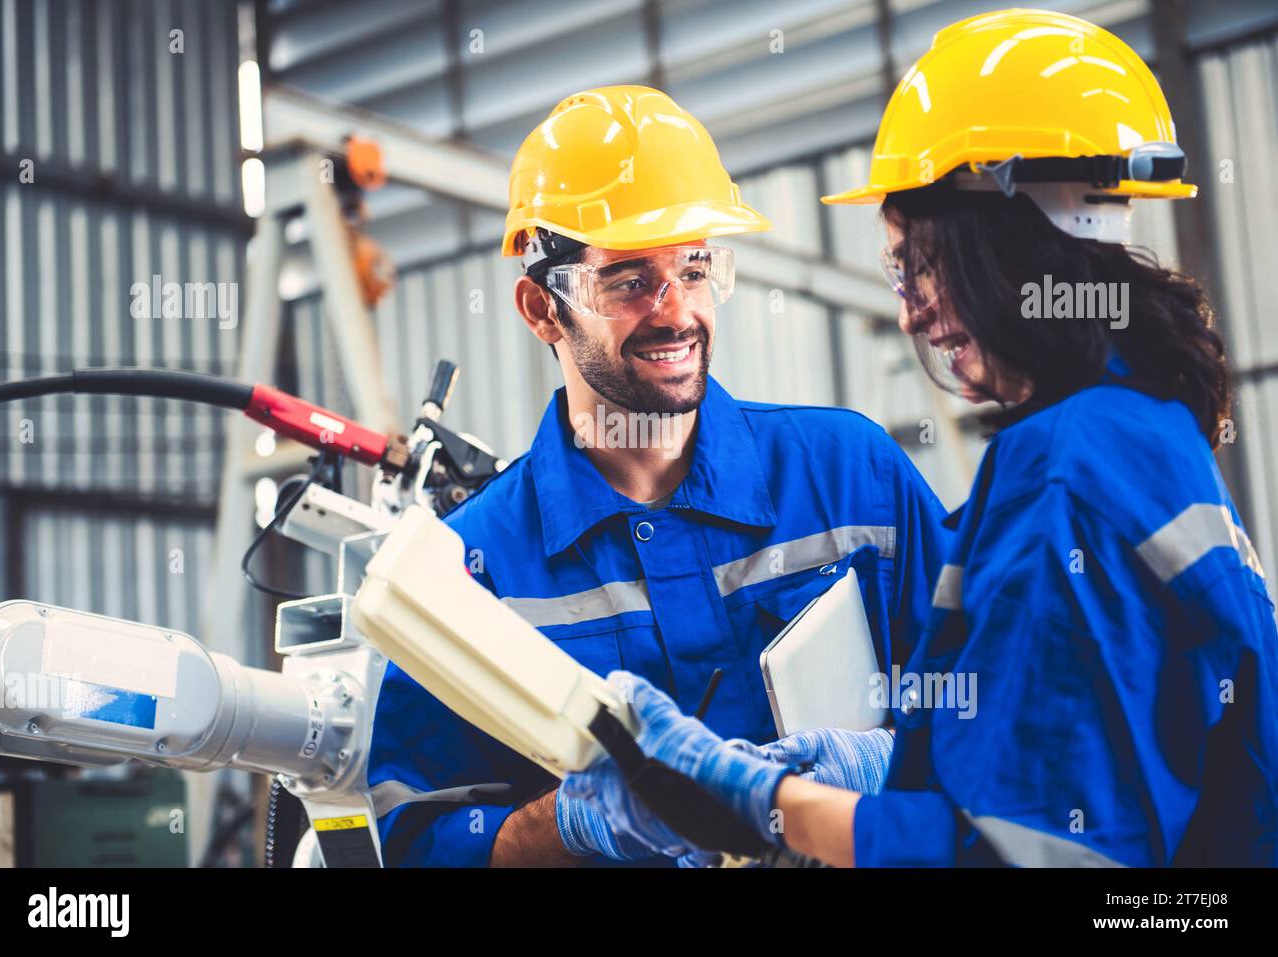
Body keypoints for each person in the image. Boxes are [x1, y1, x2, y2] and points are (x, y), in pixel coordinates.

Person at [563, 10, 1278, 867]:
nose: (907, 309)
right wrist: (887, 767)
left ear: (996, 240)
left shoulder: (1064, 478)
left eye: (914, 264)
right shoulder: (1143, 428)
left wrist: (767, 801)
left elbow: (1022, 856)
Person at [367, 85, 949, 866]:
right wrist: (569, 823)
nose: (677, 311)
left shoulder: (853, 474)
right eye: (631, 279)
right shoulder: (468, 573)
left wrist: (893, 758)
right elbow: (416, 845)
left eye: (695, 268)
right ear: (542, 309)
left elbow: (1003, 709)